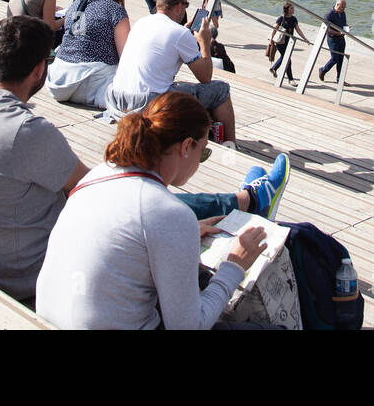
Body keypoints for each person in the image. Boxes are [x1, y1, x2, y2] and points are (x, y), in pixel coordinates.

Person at [0, 18, 288, 304]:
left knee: (154, 201)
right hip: (28, 272)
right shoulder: (25, 131)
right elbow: (105, 193)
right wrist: (176, 232)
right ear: (40, 69)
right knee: (151, 197)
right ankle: (250, 200)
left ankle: (244, 199)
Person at [35, 92, 276, 329]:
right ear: (186, 146)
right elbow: (189, 326)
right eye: (203, 152)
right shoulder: (169, 214)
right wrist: (234, 265)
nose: (200, 162)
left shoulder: (98, 175)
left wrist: (185, 233)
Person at [104, 0, 239, 146]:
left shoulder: (142, 23)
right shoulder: (179, 33)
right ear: (179, 6)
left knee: (178, 85)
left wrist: (185, 34)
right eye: (186, 4)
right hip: (148, 105)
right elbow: (205, 77)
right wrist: (204, 42)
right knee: (220, 90)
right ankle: (231, 145)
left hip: (118, 99)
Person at [46, 0, 129, 109]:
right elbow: (125, 56)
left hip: (59, 79)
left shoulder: (76, 3)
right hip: (92, 84)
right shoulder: (115, 10)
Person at [317, 0, 349, 82]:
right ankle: (323, 70)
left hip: (341, 39)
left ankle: (339, 78)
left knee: (341, 59)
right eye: (342, 7)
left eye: (344, 7)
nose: (343, 9)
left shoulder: (343, 13)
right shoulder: (329, 14)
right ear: (337, 5)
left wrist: (347, 28)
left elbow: (344, 23)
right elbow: (326, 29)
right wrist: (338, 33)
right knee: (335, 58)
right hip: (333, 39)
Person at [268, 2, 298, 83]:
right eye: (291, 8)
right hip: (280, 42)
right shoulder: (281, 18)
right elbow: (275, 29)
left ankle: (274, 68)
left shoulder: (294, 19)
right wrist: (271, 40)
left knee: (284, 57)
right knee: (287, 59)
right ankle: (291, 79)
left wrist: (305, 38)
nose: (293, 9)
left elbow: (298, 29)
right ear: (287, 10)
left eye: (293, 8)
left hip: (289, 42)